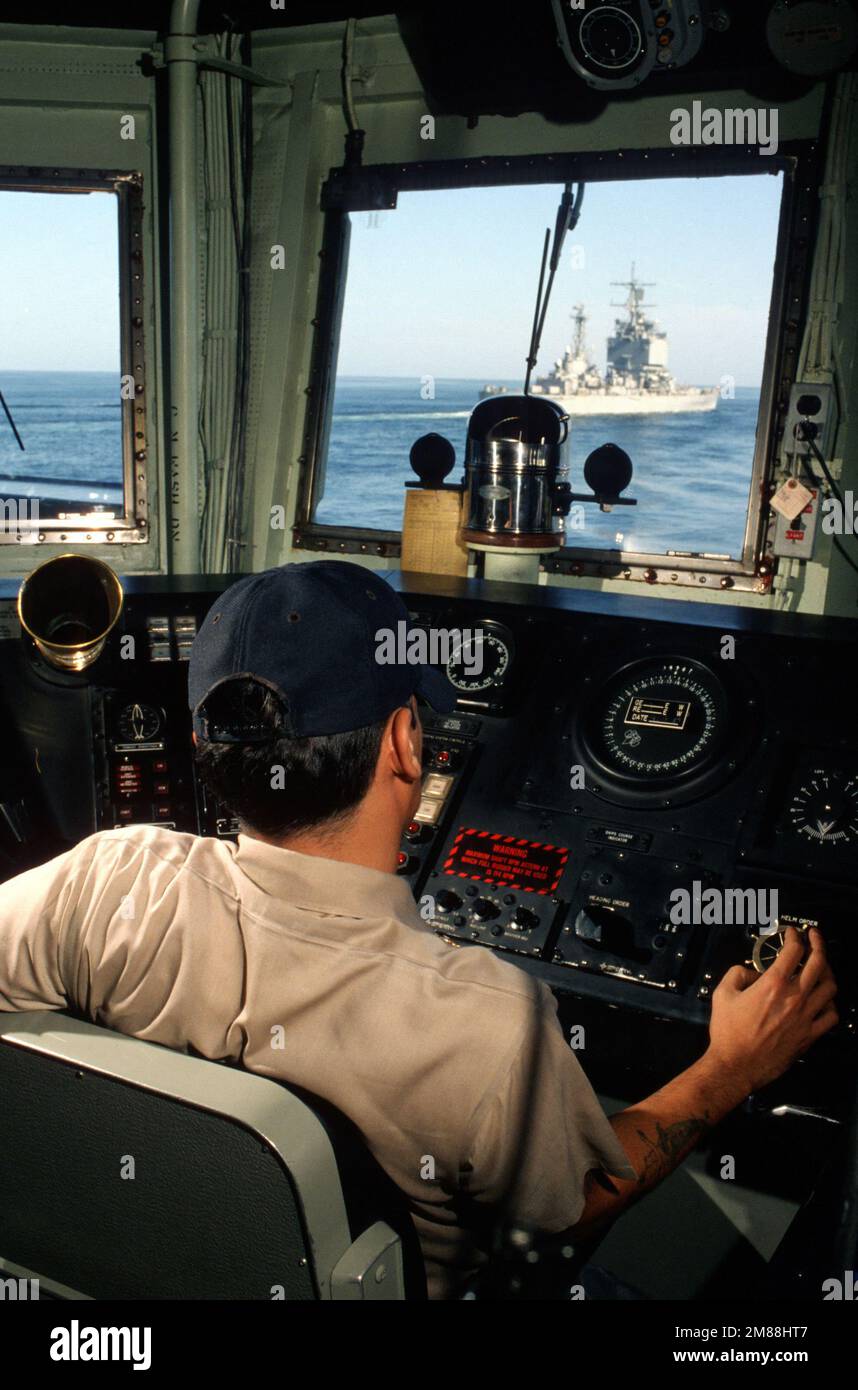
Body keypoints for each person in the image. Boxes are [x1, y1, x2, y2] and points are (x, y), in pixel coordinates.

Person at [0, 561, 839, 1299]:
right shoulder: (486, 1021)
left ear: (204, 746)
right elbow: (578, 1207)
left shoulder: (100, 881)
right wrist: (733, 1066)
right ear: (407, 744)